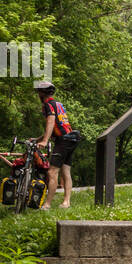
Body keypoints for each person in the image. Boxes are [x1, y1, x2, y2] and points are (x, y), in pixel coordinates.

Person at [34, 80, 78, 210]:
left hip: (63, 140)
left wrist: (45, 141)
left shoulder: (48, 105)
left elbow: (51, 122)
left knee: (52, 172)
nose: (38, 95)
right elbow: (57, 125)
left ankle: (47, 205)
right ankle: (66, 202)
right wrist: (39, 139)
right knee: (66, 171)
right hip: (71, 138)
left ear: (42, 93)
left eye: (38, 92)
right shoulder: (57, 104)